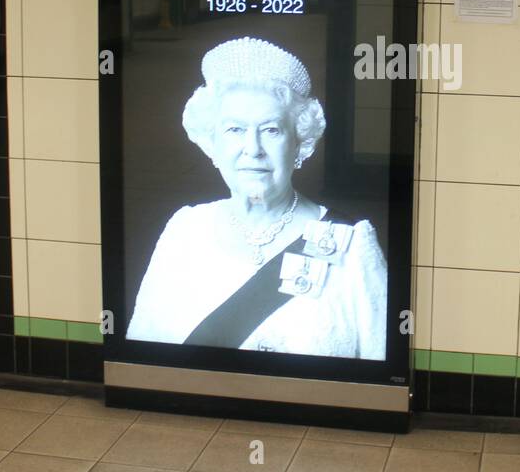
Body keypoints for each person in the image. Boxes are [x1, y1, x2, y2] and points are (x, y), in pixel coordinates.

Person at [126, 36, 388, 359]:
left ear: (299, 143)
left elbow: (378, 379)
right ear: (213, 145)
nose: (252, 149)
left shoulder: (351, 244)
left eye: (271, 130)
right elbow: (143, 362)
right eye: (235, 130)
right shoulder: (184, 231)